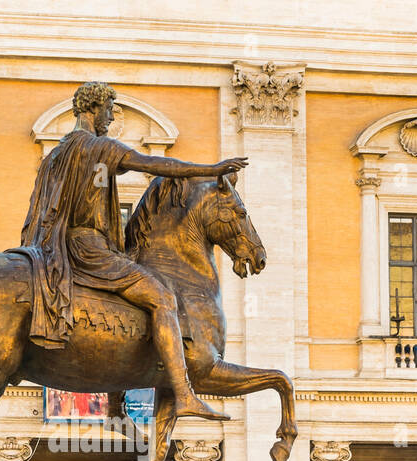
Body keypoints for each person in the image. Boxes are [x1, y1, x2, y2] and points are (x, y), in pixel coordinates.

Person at [17, 80, 247, 421]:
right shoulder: (98, 147)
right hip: (91, 249)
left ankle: (115, 399)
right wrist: (208, 170)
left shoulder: (56, 154)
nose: (110, 118)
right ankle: (184, 393)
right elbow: (156, 165)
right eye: (109, 110)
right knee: (162, 298)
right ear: (93, 109)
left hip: (57, 249)